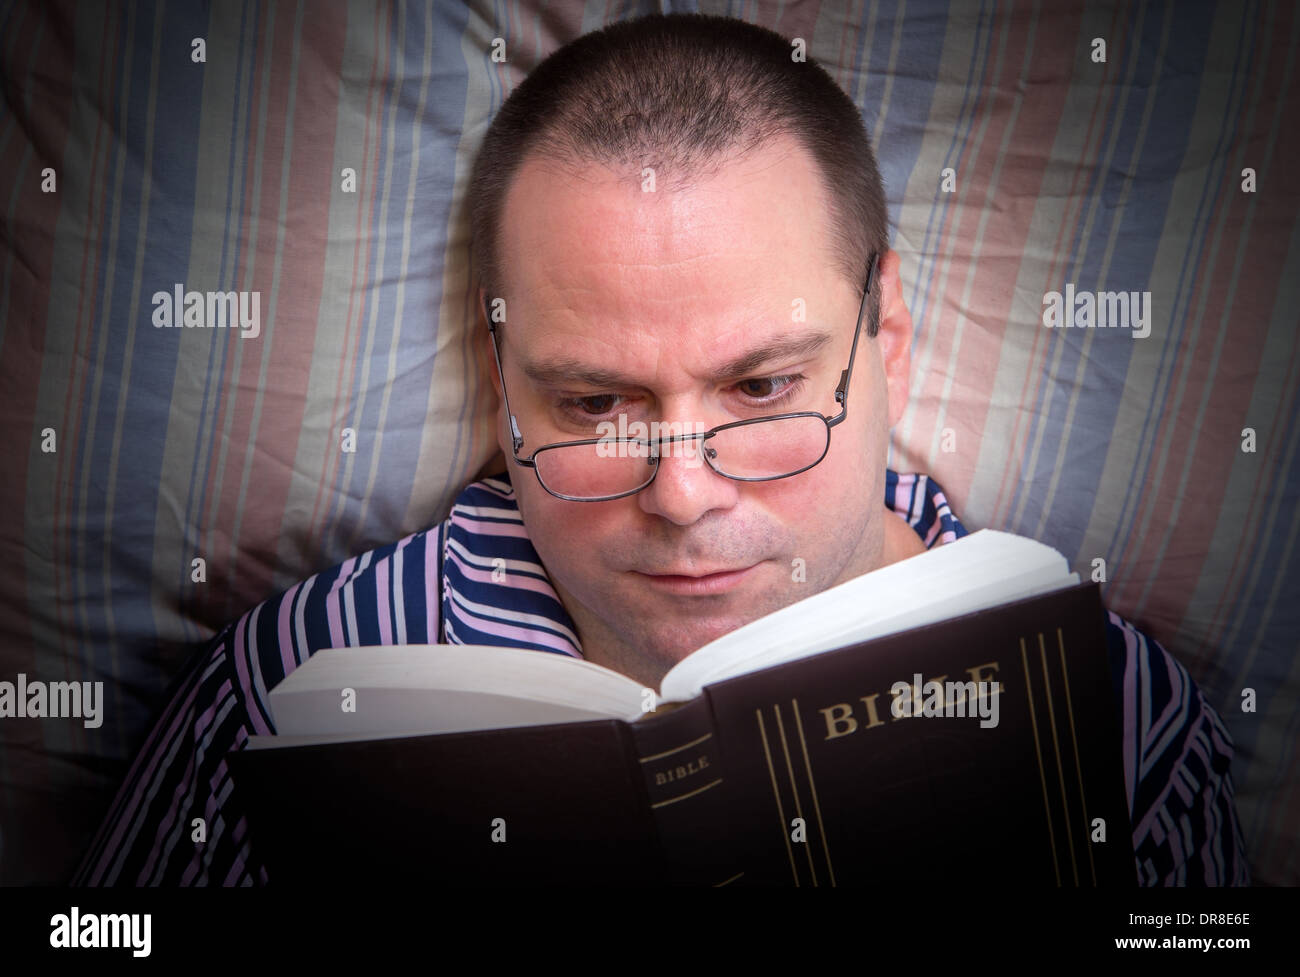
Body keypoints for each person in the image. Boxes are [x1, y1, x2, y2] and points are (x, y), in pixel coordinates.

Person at [75, 12, 1248, 886]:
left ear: (885, 329)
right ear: (501, 382)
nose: (682, 496)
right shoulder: (304, 683)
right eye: (594, 403)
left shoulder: (1115, 715)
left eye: (763, 384)